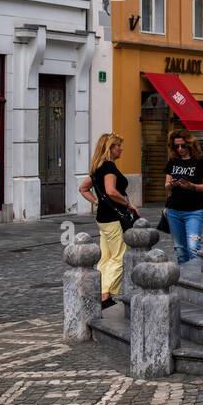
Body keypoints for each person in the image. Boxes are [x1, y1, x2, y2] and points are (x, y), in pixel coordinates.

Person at [78, 132, 137, 309]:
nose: (122, 149)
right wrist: (129, 204)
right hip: (113, 218)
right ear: (111, 148)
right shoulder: (109, 167)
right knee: (119, 257)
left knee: (106, 257)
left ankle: (101, 292)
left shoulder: (97, 168)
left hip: (102, 217)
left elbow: (83, 188)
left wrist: (97, 202)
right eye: (119, 145)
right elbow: (111, 191)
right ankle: (105, 295)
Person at [163, 128, 203, 264]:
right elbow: (166, 185)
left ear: (190, 144)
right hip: (174, 210)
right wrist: (172, 184)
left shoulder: (200, 161)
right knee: (180, 249)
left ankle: (196, 279)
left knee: (193, 247)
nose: (180, 149)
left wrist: (192, 186)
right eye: (176, 146)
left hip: (194, 211)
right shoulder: (173, 161)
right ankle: (184, 280)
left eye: (183, 146)